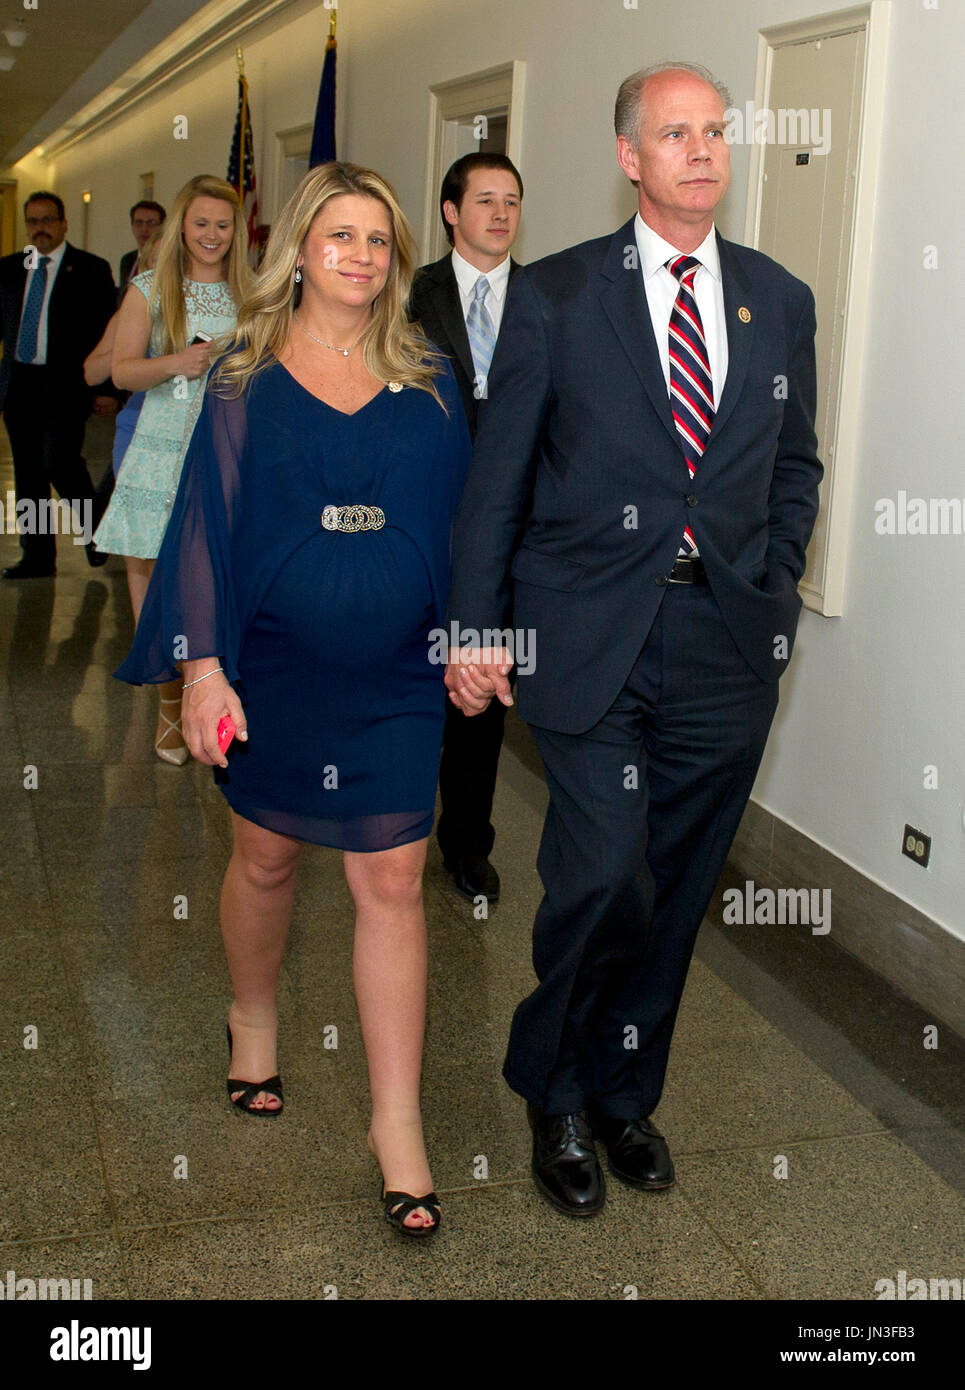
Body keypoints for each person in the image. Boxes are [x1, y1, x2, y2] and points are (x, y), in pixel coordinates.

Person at [445, 62, 823, 1217]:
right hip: (587, 635)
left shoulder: (779, 298)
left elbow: (795, 462)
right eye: (673, 133)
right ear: (628, 157)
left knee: (672, 888)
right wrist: (474, 624)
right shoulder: (555, 298)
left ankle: (622, 1095)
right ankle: (550, 1085)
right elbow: (496, 482)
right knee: (601, 872)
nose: (701, 150)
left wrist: (773, 580)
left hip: (723, 642)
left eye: (714, 131)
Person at [114, 162, 471, 1236]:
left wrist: (471, 633)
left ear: (393, 257)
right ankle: (252, 1012)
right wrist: (204, 663)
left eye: (376, 239)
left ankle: (395, 1123)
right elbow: (204, 525)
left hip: (397, 672)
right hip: (270, 666)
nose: (358, 255)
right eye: (339, 234)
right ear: (300, 248)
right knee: (265, 857)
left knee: (395, 878)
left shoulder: (429, 374)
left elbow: (461, 520)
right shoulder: (240, 372)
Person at [94, 175, 247, 764]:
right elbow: (122, 372)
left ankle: (210, 687)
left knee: (213, 567)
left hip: (225, 445)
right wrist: (178, 362)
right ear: (182, 225)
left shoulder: (251, 292)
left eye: (223, 224)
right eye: (201, 222)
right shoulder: (148, 289)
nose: (211, 234)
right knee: (154, 570)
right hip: (161, 443)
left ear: (236, 232)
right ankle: (167, 692)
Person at [410, 152, 524, 906]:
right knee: (417, 686)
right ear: (451, 211)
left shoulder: (548, 298)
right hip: (423, 522)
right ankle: (396, 827)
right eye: (485, 200)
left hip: (509, 532)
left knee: (480, 693)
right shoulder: (406, 294)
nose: (501, 213)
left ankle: (467, 844)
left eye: (512, 201)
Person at [0, 191, 117, 578]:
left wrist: (109, 389)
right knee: (29, 474)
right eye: (33, 221)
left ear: (64, 223)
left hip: (66, 385)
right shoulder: (8, 270)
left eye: (48, 220)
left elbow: (108, 333)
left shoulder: (90, 269)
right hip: (19, 382)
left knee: (59, 462)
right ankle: (36, 558)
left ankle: (95, 529)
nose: (40, 228)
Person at [84, 228, 163, 478]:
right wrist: (128, 346)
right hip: (139, 422)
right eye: (156, 262)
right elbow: (92, 374)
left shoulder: (207, 309)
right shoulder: (131, 312)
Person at [118, 201, 166, 293]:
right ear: (132, 226)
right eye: (139, 222)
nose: (144, 229)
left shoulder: (168, 260)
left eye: (151, 223)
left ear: (162, 226)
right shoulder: (127, 260)